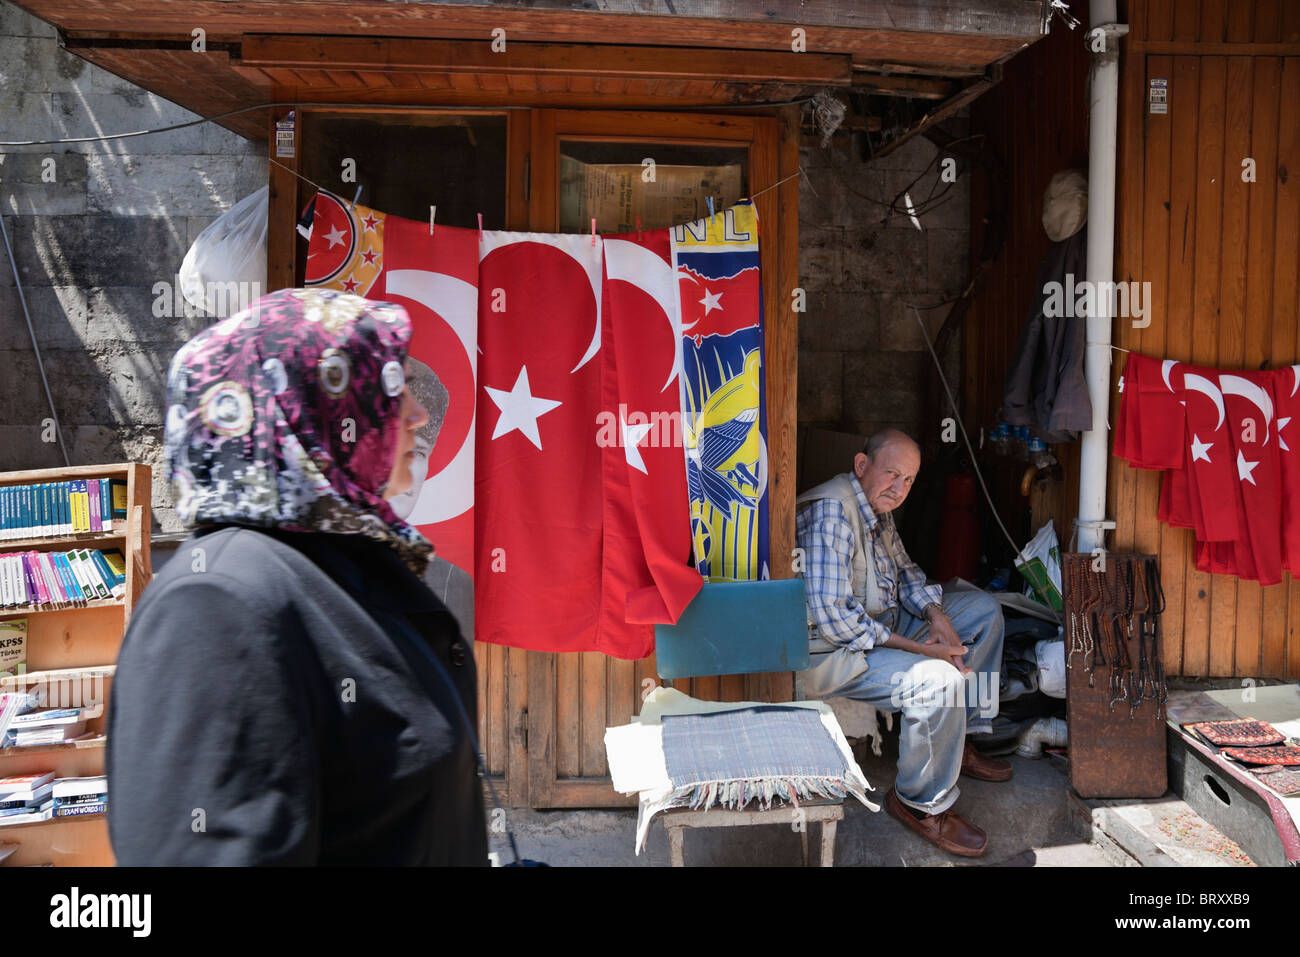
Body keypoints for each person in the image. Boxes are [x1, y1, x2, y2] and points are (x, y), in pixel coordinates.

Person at [107, 288, 488, 865]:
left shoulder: (347, 564)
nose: (418, 413)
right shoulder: (216, 606)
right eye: (390, 387)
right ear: (311, 410)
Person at [795, 429, 1008, 858]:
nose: (900, 488)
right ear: (862, 465)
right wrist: (923, 650)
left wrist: (937, 616)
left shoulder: (876, 506)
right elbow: (836, 622)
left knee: (984, 612)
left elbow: (907, 570)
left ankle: (958, 741)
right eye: (892, 474)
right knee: (939, 682)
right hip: (837, 654)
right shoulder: (832, 513)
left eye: (908, 480)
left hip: (882, 624)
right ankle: (918, 802)